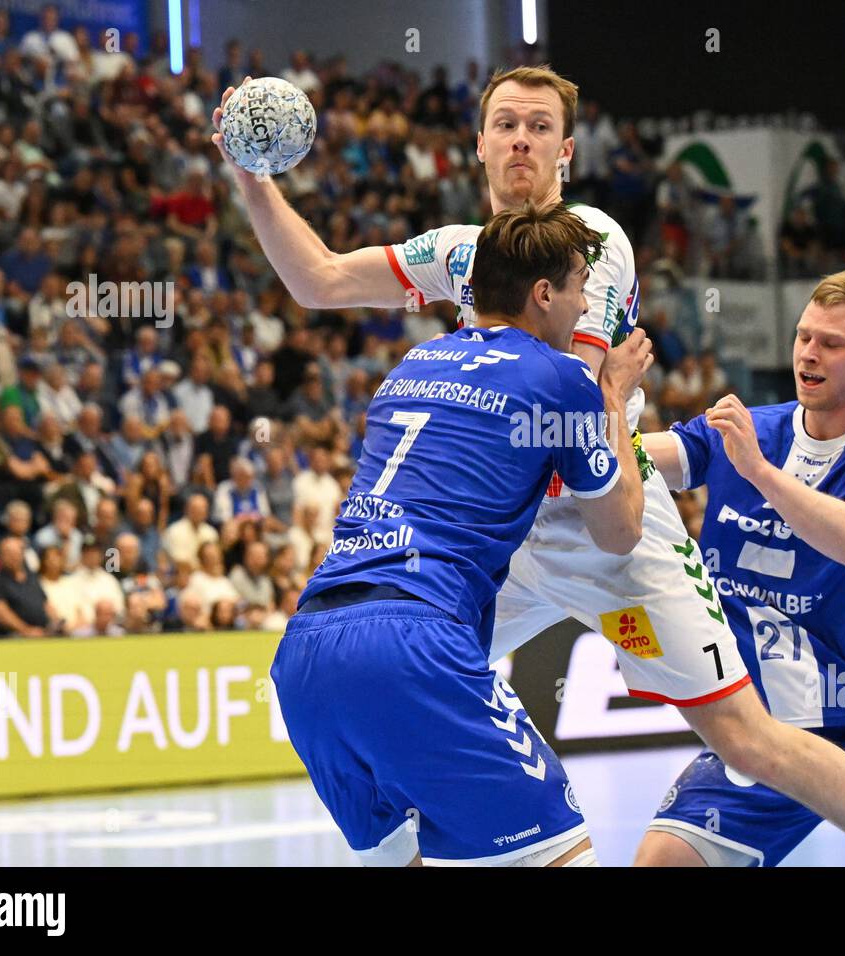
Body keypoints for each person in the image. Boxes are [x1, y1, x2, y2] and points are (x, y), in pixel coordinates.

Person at [217, 67, 845, 868]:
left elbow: (576, 406)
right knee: (419, 680)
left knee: (747, 739)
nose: (519, 139)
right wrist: (252, 177)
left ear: (566, 152)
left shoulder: (591, 241)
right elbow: (318, 278)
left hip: (606, 509)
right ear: (476, 146)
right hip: (500, 537)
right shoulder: (460, 252)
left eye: (539, 127)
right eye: (504, 124)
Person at [273, 203, 644, 866]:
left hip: (307, 653)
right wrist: (612, 392)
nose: (587, 304)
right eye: (580, 288)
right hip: (415, 641)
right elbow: (619, 533)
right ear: (543, 294)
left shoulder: (414, 362)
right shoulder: (563, 378)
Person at [635, 270, 845, 866]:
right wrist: (589, 416)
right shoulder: (748, 429)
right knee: (663, 861)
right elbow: (634, 463)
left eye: (832, 344)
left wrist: (761, 473)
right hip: (766, 735)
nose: (809, 354)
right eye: (803, 336)